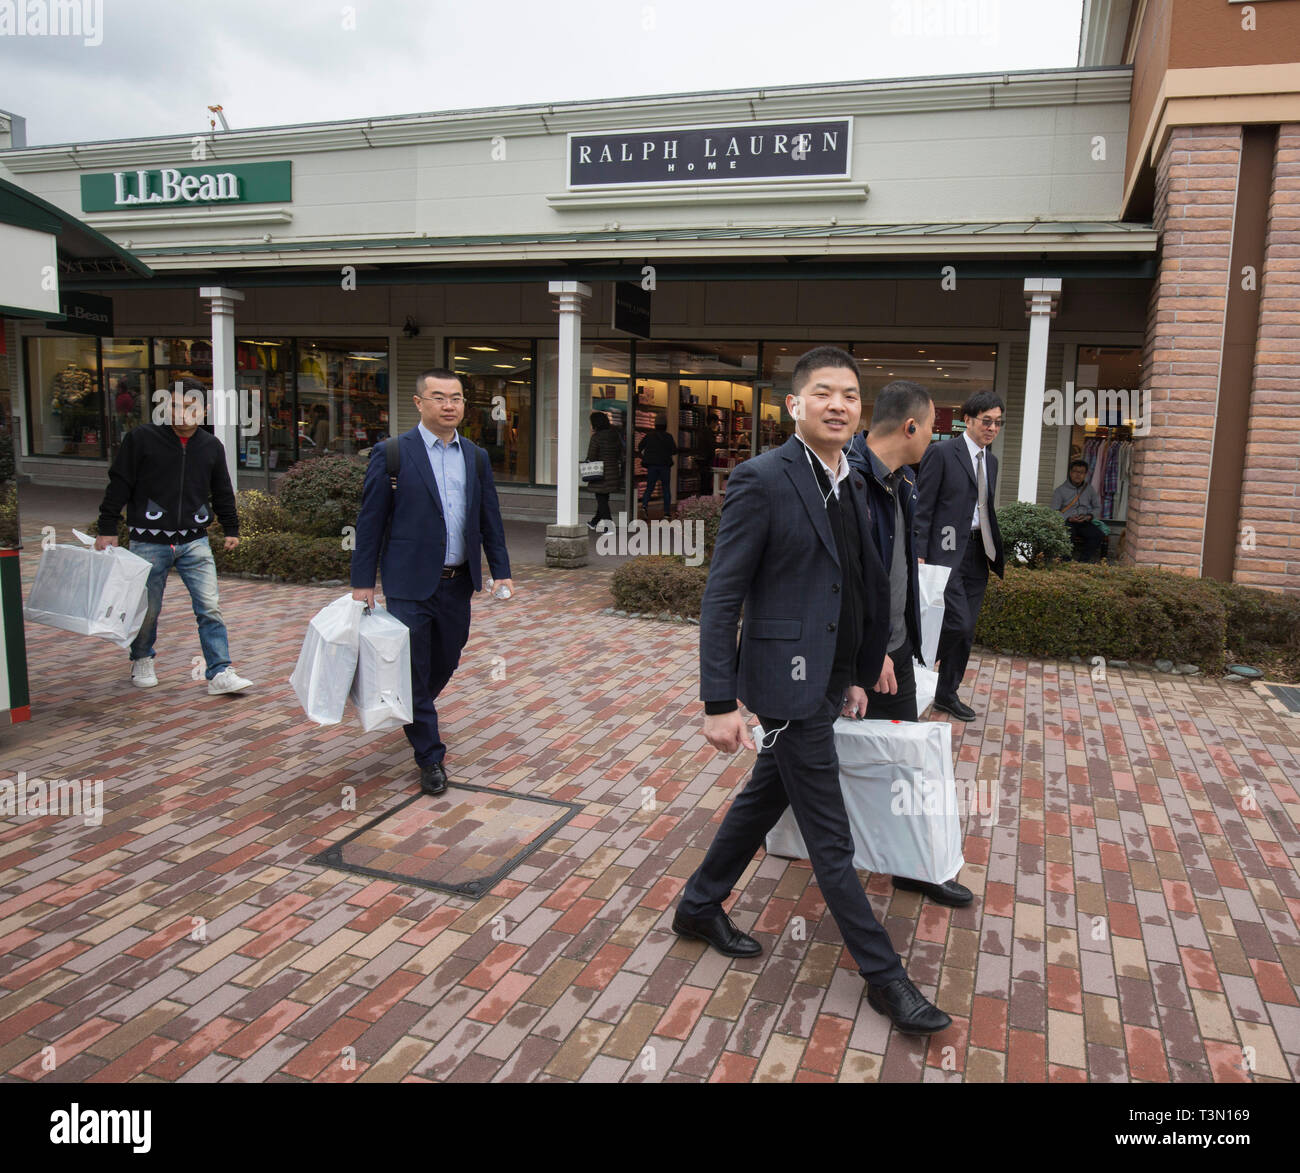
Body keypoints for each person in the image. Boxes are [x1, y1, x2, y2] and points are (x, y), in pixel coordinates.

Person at [672, 345, 951, 1036]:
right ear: (794, 404)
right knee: (831, 839)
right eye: (823, 392)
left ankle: (699, 903)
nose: (838, 404)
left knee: (766, 793)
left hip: (826, 678)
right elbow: (723, 593)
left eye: (850, 395)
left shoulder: (853, 479)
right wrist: (717, 702)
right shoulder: (761, 478)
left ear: (861, 410)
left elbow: (853, 584)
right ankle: (885, 978)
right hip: (780, 683)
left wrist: (857, 671)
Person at [350, 368, 513, 797]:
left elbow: (488, 518)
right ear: (419, 403)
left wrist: (502, 570)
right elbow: (370, 523)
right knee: (414, 667)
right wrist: (363, 582)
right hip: (408, 583)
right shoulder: (392, 454)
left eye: (456, 398)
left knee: (446, 659)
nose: (449, 405)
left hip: (458, 583)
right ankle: (430, 756)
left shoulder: (475, 456)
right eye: (438, 397)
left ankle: (411, 706)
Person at [847, 379, 973, 910]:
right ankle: (710, 893)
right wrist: (866, 654)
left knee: (905, 761)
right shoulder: (847, 480)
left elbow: (894, 567)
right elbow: (843, 581)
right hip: (856, 655)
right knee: (791, 767)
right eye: (933, 428)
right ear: (911, 426)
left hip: (892, 648)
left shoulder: (901, 480)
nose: (936, 439)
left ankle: (912, 867)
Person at [94, 378, 252, 696]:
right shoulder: (142, 438)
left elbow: (222, 490)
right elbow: (120, 483)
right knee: (148, 607)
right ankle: (142, 658)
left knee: (209, 606)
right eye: (176, 405)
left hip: (195, 540)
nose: (182, 412)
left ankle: (219, 671)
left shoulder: (210, 446)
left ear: (204, 410)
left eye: (190, 406)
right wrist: (107, 526)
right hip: (148, 541)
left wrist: (231, 527)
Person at [914, 391, 1006, 722]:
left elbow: (984, 508)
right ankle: (912, 670)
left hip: (979, 552)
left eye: (998, 422)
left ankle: (946, 693)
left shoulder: (991, 461)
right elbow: (923, 506)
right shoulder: (941, 453)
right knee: (956, 621)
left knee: (966, 631)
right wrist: (919, 552)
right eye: (987, 421)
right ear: (968, 419)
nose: (992, 428)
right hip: (945, 552)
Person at [1052, 459, 1104, 562]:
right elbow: (1054, 511)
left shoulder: (1089, 489)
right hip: (1067, 521)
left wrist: (1089, 516)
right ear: (1070, 473)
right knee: (1068, 534)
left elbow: (1097, 507)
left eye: (1081, 472)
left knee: (1097, 535)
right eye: (1075, 471)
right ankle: (1065, 562)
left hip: (1083, 521)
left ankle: (1083, 562)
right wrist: (1069, 518)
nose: (1078, 475)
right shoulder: (1060, 490)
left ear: (1085, 474)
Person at [584, 411, 623, 531]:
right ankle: (594, 522)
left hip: (600, 472)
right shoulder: (615, 435)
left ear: (595, 424)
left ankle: (609, 526)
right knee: (603, 498)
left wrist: (587, 461)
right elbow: (619, 452)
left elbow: (592, 456)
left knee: (601, 499)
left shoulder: (596, 437)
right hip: (613, 471)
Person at [637, 415, 676, 517]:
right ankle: (667, 512)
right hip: (665, 465)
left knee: (650, 487)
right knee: (666, 488)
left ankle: (645, 506)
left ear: (655, 425)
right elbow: (674, 451)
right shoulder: (669, 436)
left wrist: (645, 455)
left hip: (652, 466)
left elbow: (639, 447)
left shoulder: (649, 436)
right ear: (665, 425)